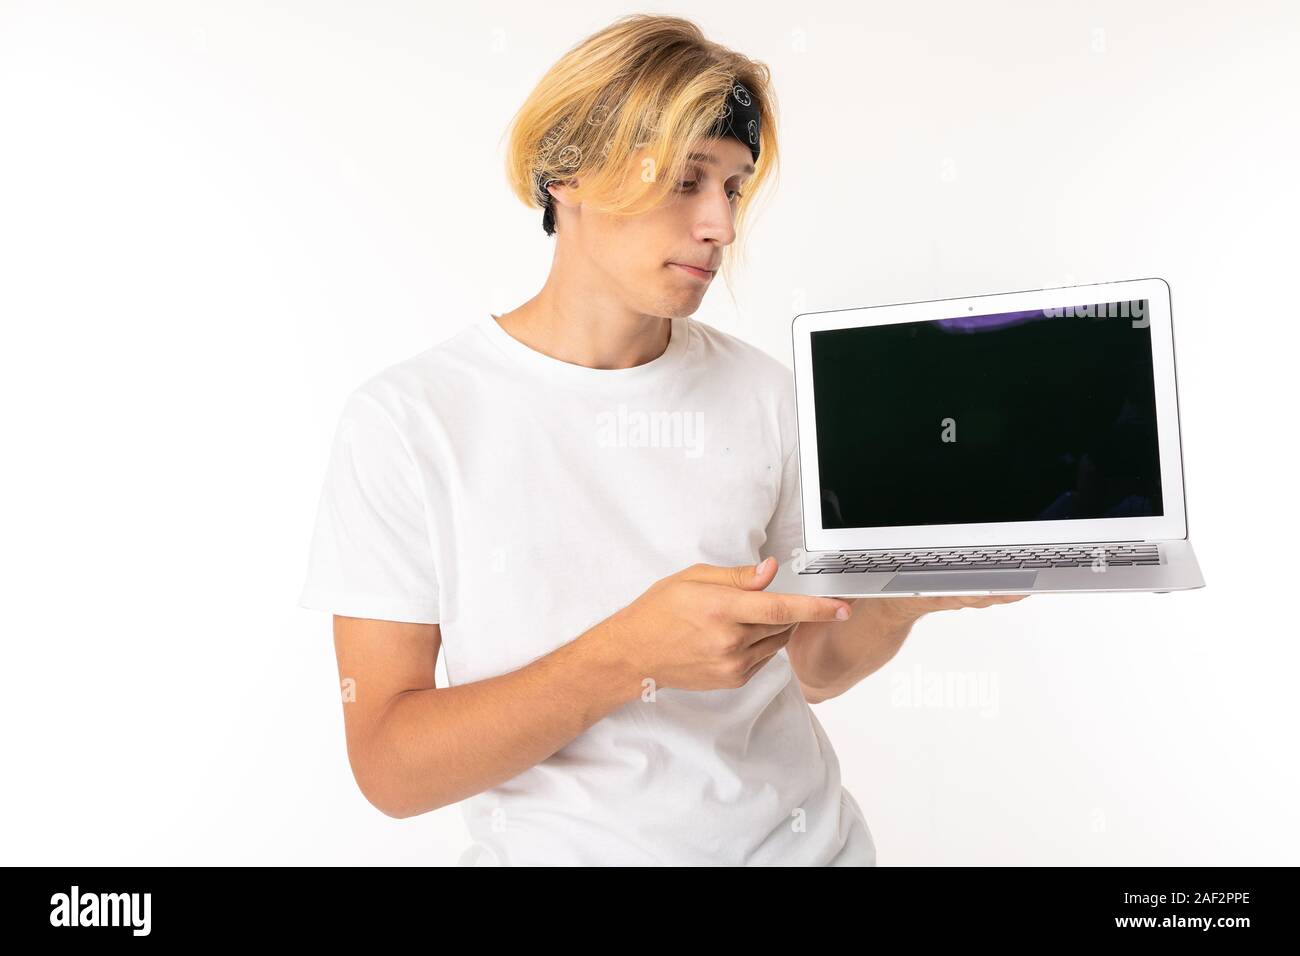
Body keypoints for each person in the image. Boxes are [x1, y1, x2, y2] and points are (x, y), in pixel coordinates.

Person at [297, 13, 1023, 866]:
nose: (720, 225)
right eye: (685, 179)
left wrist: (903, 597)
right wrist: (627, 655)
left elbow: (812, 667)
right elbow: (390, 766)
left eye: (735, 186)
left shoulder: (768, 397)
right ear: (565, 174)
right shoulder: (409, 422)